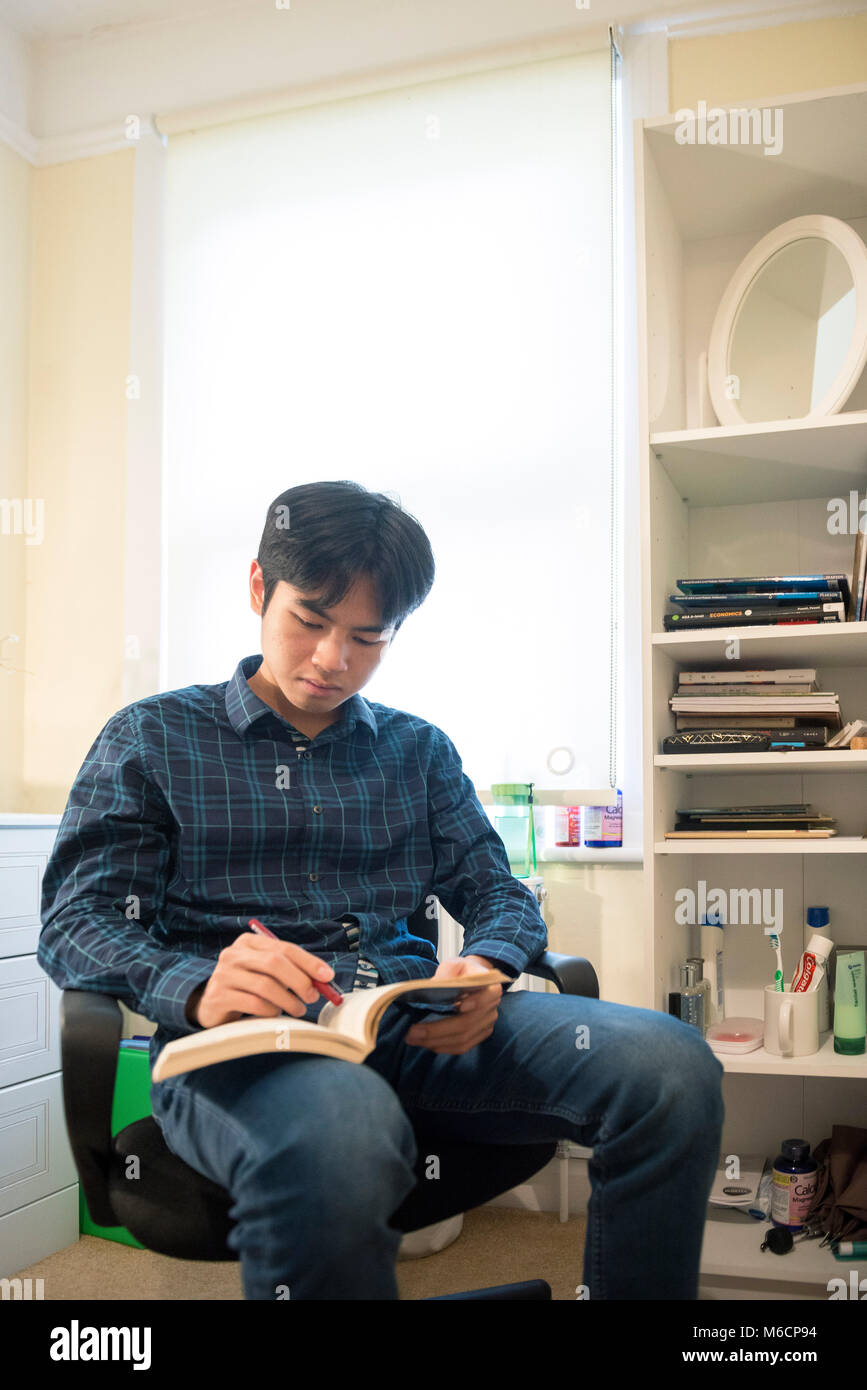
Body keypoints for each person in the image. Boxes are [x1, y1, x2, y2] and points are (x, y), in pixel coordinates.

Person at [38, 479, 724, 1300]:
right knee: (342, 1135)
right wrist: (194, 982)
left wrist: (489, 964)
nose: (334, 660)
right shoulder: (151, 738)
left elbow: (498, 893)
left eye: (368, 637)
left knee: (671, 1067)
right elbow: (74, 922)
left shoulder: (417, 752)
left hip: (411, 1031)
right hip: (243, 1052)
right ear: (259, 587)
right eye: (309, 621)